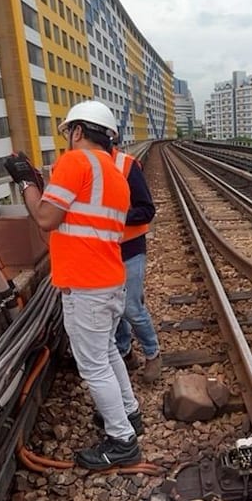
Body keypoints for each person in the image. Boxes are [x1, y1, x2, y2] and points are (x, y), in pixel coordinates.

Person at [4, 100, 143, 470]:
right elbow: (74, 226)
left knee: (94, 364)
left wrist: (26, 185)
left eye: (69, 133)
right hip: (109, 278)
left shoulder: (74, 162)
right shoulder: (115, 174)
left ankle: (122, 439)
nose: (68, 140)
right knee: (109, 353)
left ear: (78, 131)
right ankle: (129, 413)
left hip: (86, 284)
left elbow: (47, 218)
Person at [112, 141, 162, 384]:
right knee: (113, 309)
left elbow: (146, 210)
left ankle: (153, 353)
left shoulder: (126, 165)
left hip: (129, 249)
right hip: (100, 252)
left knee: (131, 307)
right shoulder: (82, 167)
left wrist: (113, 217)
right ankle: (125, 351)